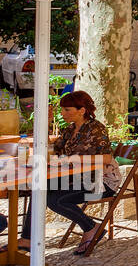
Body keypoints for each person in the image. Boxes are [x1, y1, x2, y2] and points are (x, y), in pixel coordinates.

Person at [18, 91, 120, 256]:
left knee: (55, 199)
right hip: (76, 178)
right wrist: (47, 122)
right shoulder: (70, 130)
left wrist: (73, 159)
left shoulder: (96, 129)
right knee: (39, 187)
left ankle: (92, 228)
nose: (62, 113)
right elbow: (52, 151)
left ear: (82, 110)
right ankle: (28, 238)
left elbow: (107, 158)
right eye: (62, 110)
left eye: (67, 109)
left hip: (101, 182)